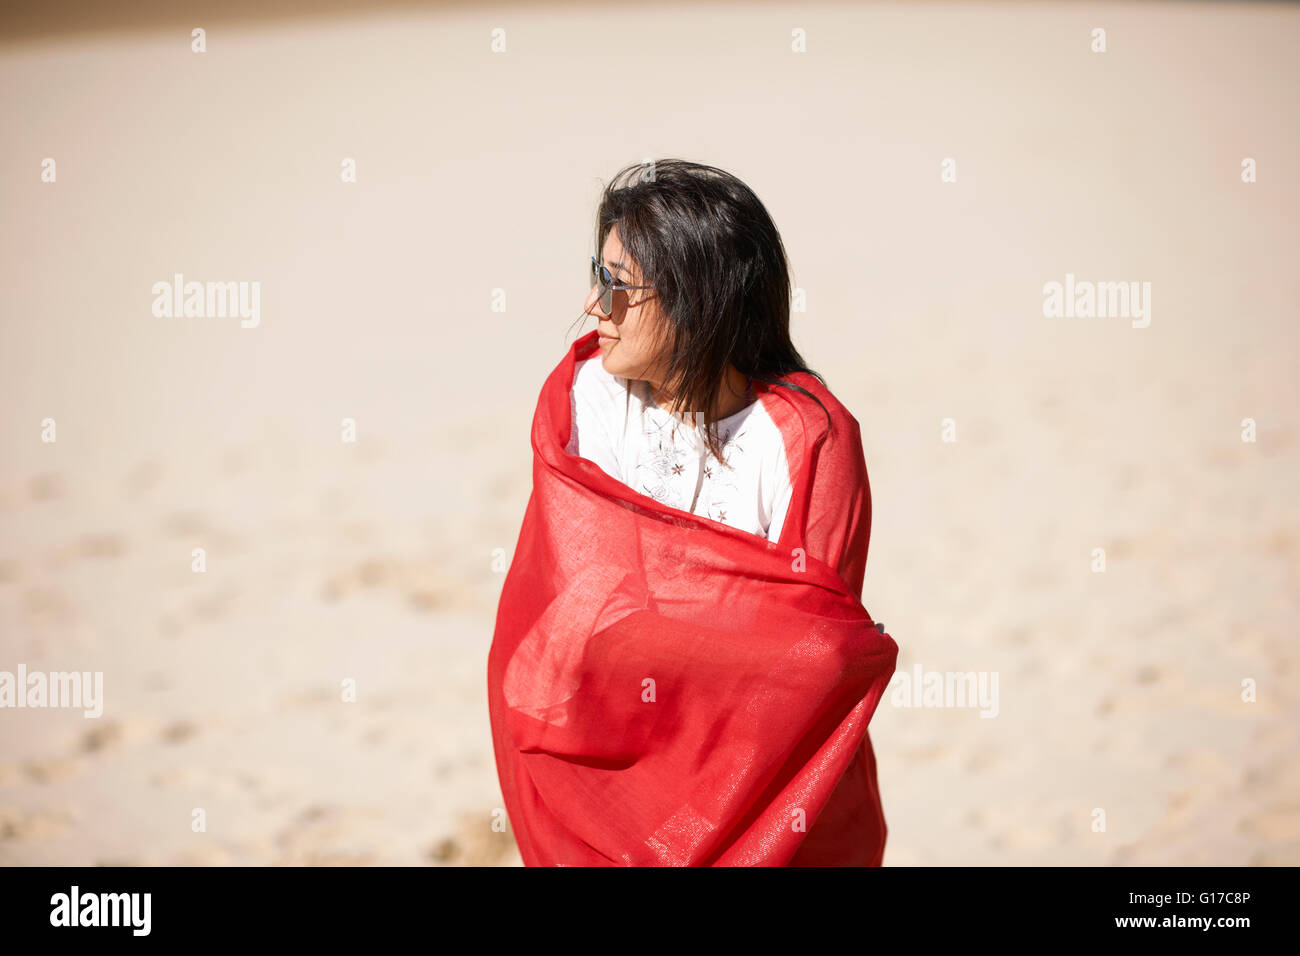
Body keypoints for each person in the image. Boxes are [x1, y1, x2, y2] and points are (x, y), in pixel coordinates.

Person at [487, 159, 896, 865]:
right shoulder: (584, 404)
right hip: (606, 774)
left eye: (620, 285)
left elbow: (812, 666)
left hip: (762, 785)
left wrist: (667, 632)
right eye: (596, 272)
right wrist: (703, 632)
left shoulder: (805, 438)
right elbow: (560, 625)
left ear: (699, 298)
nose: (594, 305)